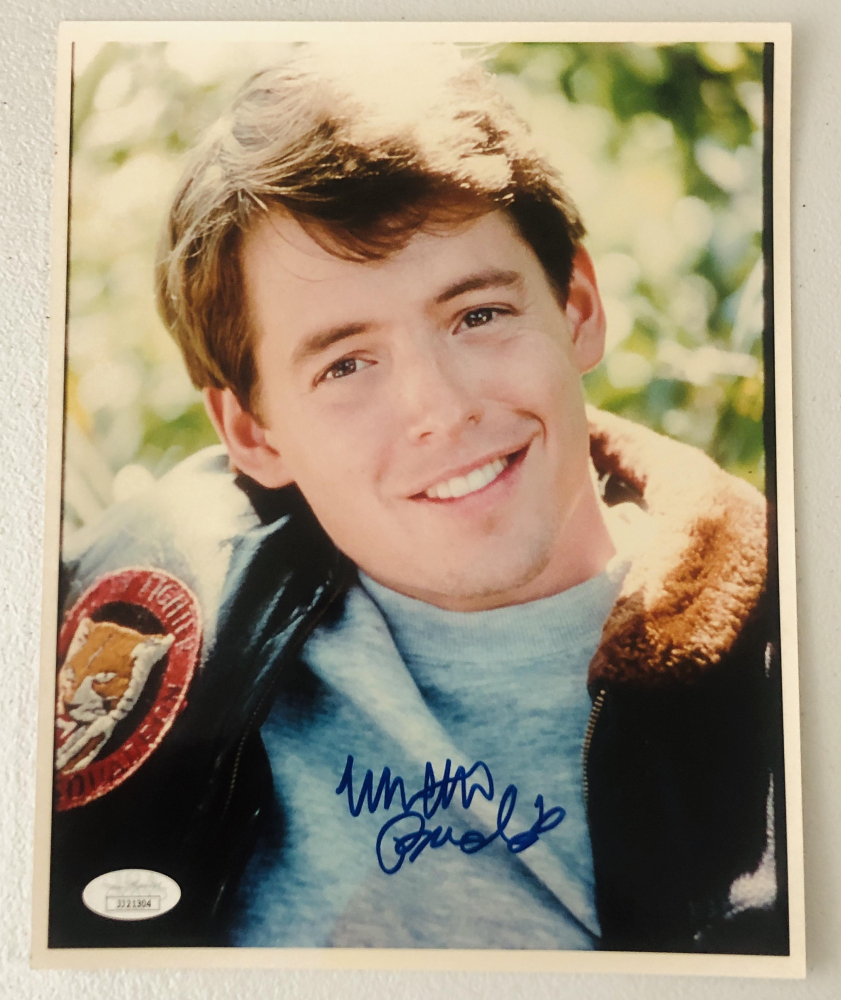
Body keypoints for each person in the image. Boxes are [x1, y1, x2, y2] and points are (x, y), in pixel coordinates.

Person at [49, 45, 787, 954]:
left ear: (578, 308)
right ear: (253, 433)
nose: (438, 409)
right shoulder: (134, 626)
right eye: (345, 363)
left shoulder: (786, 662)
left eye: (477, 314)